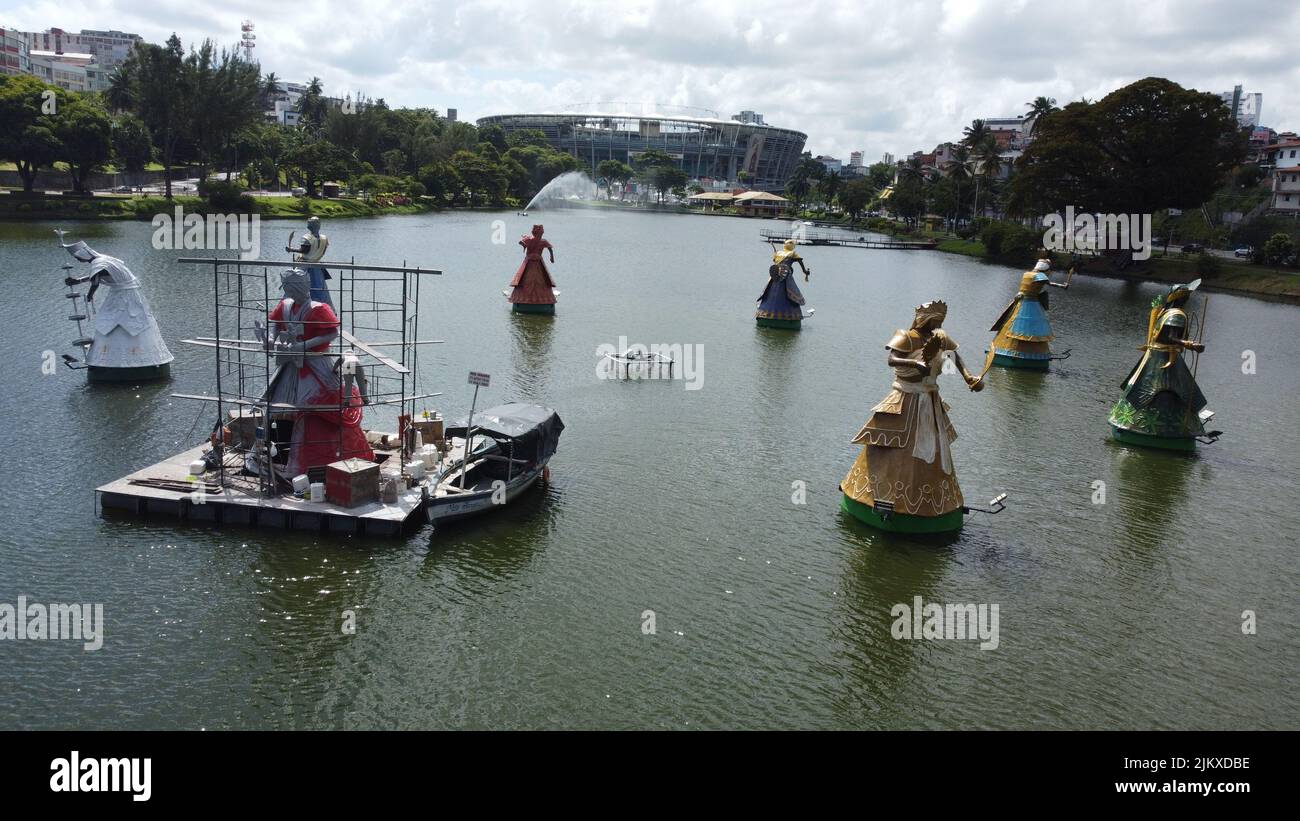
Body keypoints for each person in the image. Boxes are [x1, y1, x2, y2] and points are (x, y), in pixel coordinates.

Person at [840, 301, 984, 532]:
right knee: (892, 446)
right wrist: (914, 363)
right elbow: (892, 359)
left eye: (940, 321)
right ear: (922, 319)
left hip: (930, 400)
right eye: (933, 320)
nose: (937, 325)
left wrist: (969, 377)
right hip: (905, 399)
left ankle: (935, 505)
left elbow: (954, 356)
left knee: (933, 451)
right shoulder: (906, 336)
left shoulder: (940, 337)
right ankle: (877, 498)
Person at [259, 269, 372, 476]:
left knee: (317, 406)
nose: (287, 291)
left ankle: (321, 463)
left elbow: (332, 332)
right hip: (289, 367)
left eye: (291, 287)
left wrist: (305, 345)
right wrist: (270, 341)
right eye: (286, 287)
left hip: (316, 365)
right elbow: (275, 329)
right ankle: (274, 456)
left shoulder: (319, 309)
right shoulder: (284, 307)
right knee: (278, 407)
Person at [1108, 281, 1211, 449]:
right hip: (1164, 359)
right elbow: (1168, 338)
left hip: (1155, 357)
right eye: (1186, 297)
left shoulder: (1165, 312)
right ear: (1182, 298)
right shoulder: (1175, 315)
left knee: (1143, 388)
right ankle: (1169, 431)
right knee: (1169, 390)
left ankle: (1129, 424)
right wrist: (1189, 344)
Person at [58, 232, 173, 380]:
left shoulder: (99, 263)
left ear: (84, 254)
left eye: (78, 257)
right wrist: (78, 281)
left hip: (125, 295)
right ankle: (108, 358)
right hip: (124, 293)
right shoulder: (105, 260)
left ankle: (135, 360)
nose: (78, 260)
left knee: (126, 322)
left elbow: (95, 281)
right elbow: (98, 276)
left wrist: (90, 294)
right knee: (110, 321)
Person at [984, 257, 1071, 371]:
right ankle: (1029, 357)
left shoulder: (1027, 274)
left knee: (1011, 323)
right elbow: (1049, 283)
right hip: (1031, 304)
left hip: (1020, 302)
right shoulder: (1039, 276)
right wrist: (1063, 286)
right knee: (1028, 329)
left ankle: (999, 351)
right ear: (1046, 269)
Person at [756, 239, 811, 327]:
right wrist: (805, 271)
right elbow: (800, 262)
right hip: (786, 277)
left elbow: (775, 261)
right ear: (792, 246)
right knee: (790, 292)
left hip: (774, 278)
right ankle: (787, 318)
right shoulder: (792, 253)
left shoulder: (778, 253)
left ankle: (764, 314)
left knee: (769, 292)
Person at [285, 216, 334, 309]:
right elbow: (323, 251)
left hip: (304, 267)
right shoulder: (324, 238)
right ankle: (323, 309)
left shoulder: (306, 237)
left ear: (310, 225)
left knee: (299, 288)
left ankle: (296, 310)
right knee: (320, 290)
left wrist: (291, 249)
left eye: (309, 223)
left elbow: (304, 251)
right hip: (317, 267)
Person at [507, 224, 558, 313]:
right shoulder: (542, 241)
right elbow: (550, 249)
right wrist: (552, 257)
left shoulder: (531, 240)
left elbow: (521, 242)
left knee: (528, 279)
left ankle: (523, 300)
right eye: (541, 232)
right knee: (536, 279)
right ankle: (540, 302)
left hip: (530, 263)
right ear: (541, 233)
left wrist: (525, 239)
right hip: (536, 263)